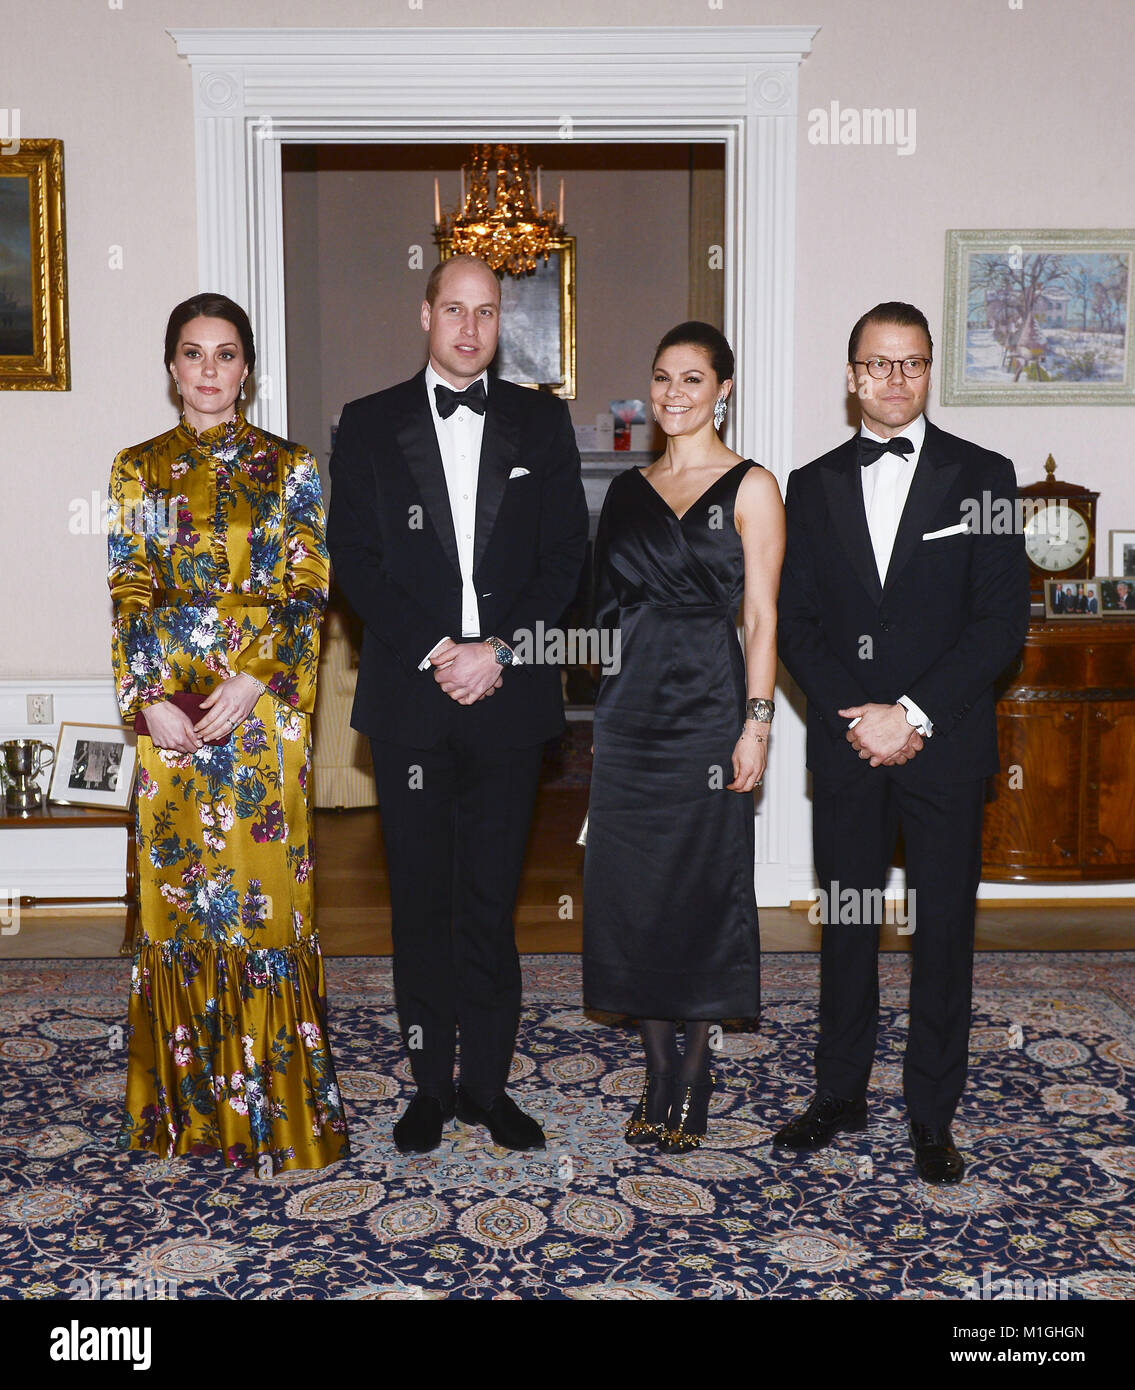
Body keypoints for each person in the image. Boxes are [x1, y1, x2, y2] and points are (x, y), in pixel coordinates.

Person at [327, 255, 588, 1154]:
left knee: (490, 901)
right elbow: (354, 561)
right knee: (420, 906)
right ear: (424, 313)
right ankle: (428, 1090)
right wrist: (442, 649)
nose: (469, 329)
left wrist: (500, 651)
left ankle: (487, 1088)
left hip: (510, 702)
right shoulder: (367, 425)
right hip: (411, 699)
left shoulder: (540, 421)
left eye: (486, 312)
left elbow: (566, 560)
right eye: (453, 310)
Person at [775, 302, 1029, 1183]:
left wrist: (912, 713)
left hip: (945, 745)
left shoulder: (986, 476)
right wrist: (860, 714)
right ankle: (839, 1093)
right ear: (850, 377)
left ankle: (932, 1114)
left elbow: (1001, 624)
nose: (893, 380)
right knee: (846, 927)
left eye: (910, 364)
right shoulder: (805, 487)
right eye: (876, 364)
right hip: (848, 746)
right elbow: (794, 623)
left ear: (929, 373)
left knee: (940, 932)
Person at [109, 292, 348, 1172]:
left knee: (264, 908)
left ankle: (278, 1114)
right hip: (170, 716)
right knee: (179, 909)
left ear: (248, 369)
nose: (208, 370)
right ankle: (191, 1114)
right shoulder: (134, 471)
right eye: (192, 353)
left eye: (225, 354)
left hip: (262, 717)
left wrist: (256, 680)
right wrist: (148, 701)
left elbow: (307, 589)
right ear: (171, 368)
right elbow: (130, 588)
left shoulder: (293, 469)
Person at [583, 322, 785, 1152]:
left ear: (723, 389)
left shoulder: (752, 486)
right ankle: (657, 1070)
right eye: (662, 377)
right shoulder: (626, 489)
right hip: (628, 716)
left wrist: (757, 724)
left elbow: (763, 616)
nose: (673, 393)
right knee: (633, 897)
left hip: (708, 706)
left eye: (693, 379)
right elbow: (600, 614)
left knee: (700, 891)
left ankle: (695, 1073)